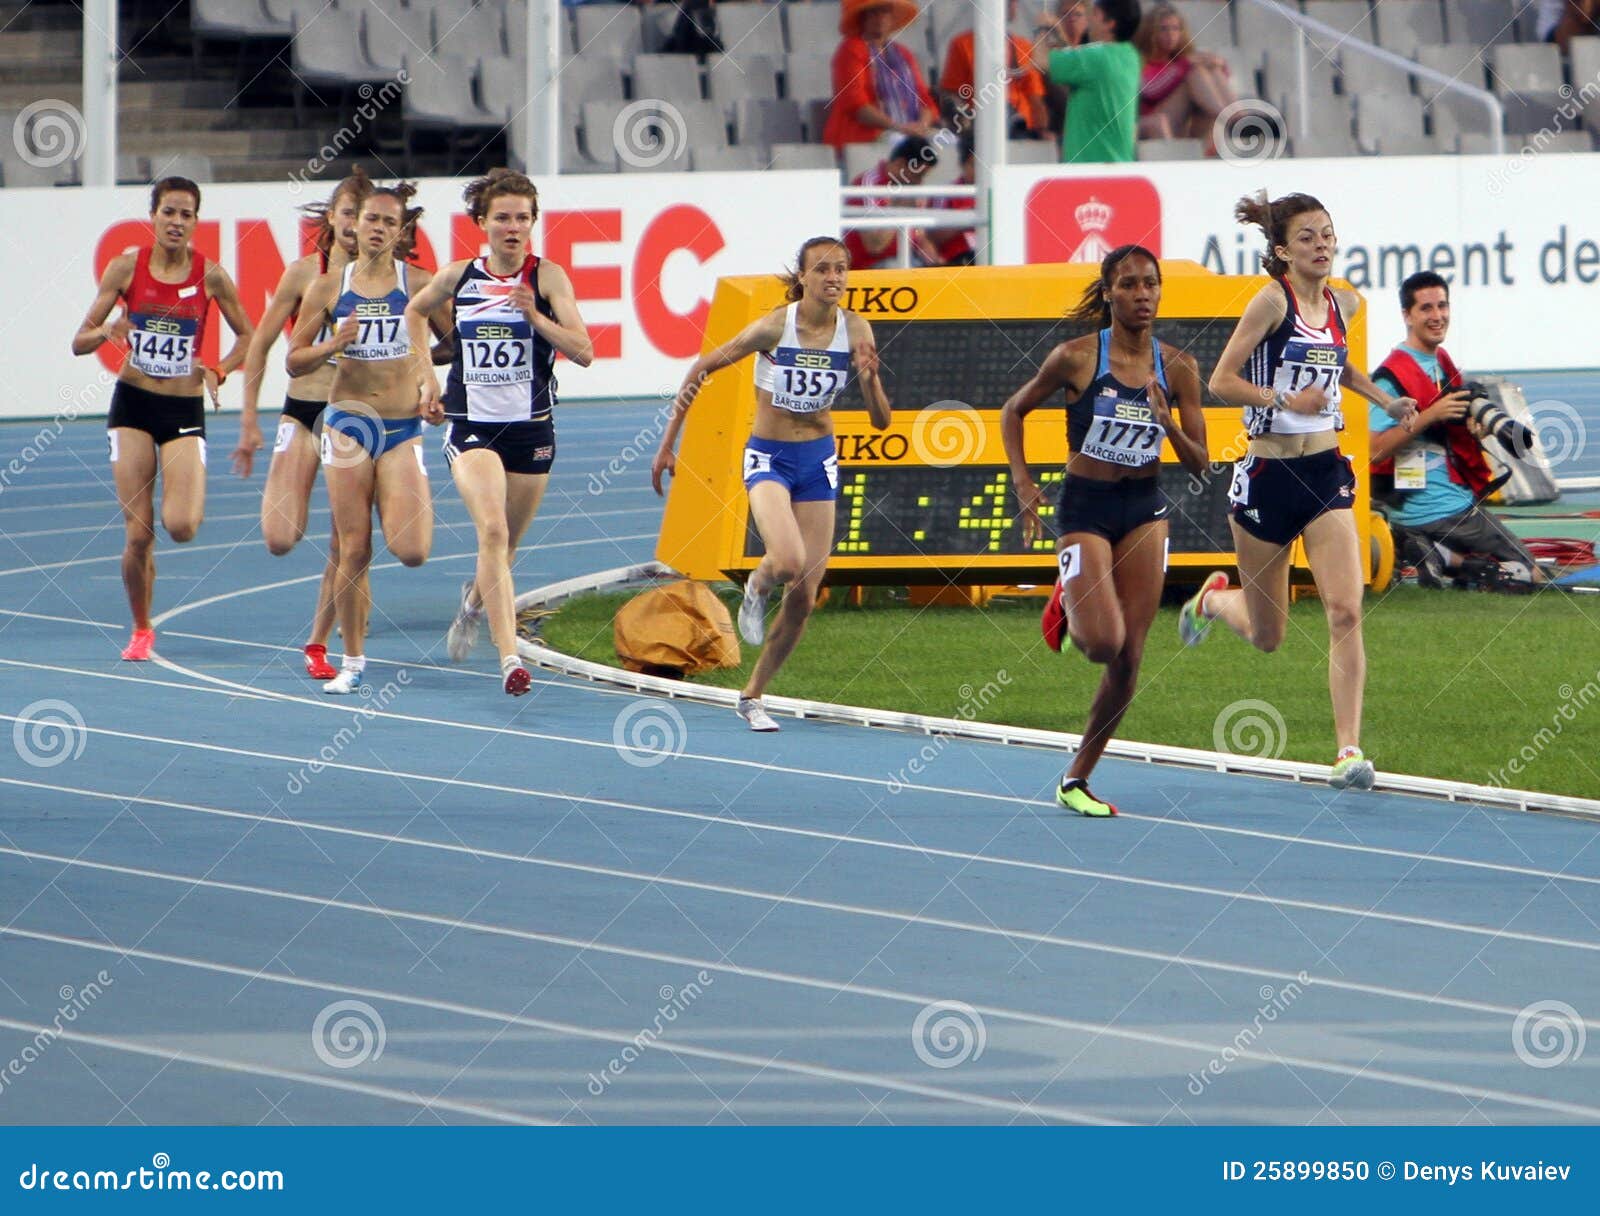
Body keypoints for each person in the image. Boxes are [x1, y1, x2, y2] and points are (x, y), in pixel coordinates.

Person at [1180, 191, 1417, 792]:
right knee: (1268, 636)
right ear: (1283, 251)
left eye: (1328, 234)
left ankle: (1348, 751)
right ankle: (1211, 602)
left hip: (1324, 475)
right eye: (1308, 237)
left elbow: (1338, 366)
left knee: (1345, 610)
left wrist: (1385, 399)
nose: (1322, 245)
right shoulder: (1269, 303)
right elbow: (1221, 381)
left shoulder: (1344, 303)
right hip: (1266, 479)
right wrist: (1285, 399)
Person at [651, 237, 891, 731]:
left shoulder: (857, 329)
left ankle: (752, 695)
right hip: (770, 457)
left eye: (842, 269)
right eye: (822, 269)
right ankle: (757, 585)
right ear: (801, 277)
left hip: (818, 461)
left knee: (805, 595)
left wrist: (870, 382)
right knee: (786, 561)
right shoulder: (775, 327)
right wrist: (668, 442)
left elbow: (881, 421)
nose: (834, 278)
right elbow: (703, 368)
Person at [1002, 246, 1208, 817]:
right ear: (1110, 293)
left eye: (1151, 284)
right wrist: (1023, 484)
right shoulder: (1074, 358)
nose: (1143, 294)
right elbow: (1013, 411)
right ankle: (1068, 603)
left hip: (1143, 508)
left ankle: (1076, 778)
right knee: (1102, 645)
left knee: (1131, 657)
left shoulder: (1180, 368)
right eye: (1130, 285)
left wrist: (1168, 423)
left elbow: (1202, 464)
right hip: (1085, 508)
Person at [407, 168, 595, 697]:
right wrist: (427, 378)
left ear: (533, 223)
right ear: (482, 224)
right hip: (470, 427)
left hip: (532, 431)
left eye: (522, 218)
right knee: (491, 532)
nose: (512, 228)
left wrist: (535, 316)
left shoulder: (547, 278)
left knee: (505, 547)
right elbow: (415, 313)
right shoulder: (458, 277)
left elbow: (583, 351)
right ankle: (510, 659)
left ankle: (472, 603)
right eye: (502, 218)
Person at [71, 177, 253, 660]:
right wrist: (107, 331)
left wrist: (220, 369)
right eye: (168, 212)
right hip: (132, 403)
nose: (176, 222)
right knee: (137, 532)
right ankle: (141, 627)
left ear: (196, 222)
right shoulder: (126, 268)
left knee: (182, 526)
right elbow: (79, 341)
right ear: (153, 216)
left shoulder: (211, 275)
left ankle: (186, 489)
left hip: (183, 407)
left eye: (186, 214)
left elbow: (248, 337)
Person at [287, 183, 445, 695]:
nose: (375, 228)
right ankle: (351, 662)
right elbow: (294, 359)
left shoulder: (419, 283)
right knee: (353, 548)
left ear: (401, 232)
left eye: (386, 221)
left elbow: (455, 341)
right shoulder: (329, 287)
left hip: (401, 429)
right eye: (368, 219)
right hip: (348, 423)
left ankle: (350, 653)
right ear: (353, 227)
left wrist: (424, 374)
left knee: (413, 548)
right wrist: (335, 343)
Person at [231, 168, 371, 680]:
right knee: (280, 537)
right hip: (304, 409)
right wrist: (249, 421)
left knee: (347, 540)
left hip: (357, 419)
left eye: (364, 214)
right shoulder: (302, 274)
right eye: (348, 213)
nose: (355, 224)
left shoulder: (385, 278)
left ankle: (318, 643)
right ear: (330, 219)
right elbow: (262, 344)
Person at [1369, 271, 1547, 589]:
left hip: (1433, 508)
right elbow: (1373, 449)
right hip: (1441, 508)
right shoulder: (1390, 376)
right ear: (1406, 316)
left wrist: (1470, 432)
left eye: (1442, 306)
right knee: (1529, 573)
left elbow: (1437, 439)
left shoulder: (1440, 362)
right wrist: (1429, 415)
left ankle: (1437, 554)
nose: (1437, 316)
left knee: (1501, 568)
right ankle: (1442, 554)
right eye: (1426, 308)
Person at [823, 0, 939, 151]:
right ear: (862, 17)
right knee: (902, 143)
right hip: (865, 135)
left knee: (949, 142)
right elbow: (855, 104)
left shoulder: (904, 53)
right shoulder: (850, 50)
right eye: (874, 12)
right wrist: (897, 127)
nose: (880, 18)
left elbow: (924, 99)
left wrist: (921, 126)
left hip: (910, 131)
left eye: (885, 12)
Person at [1048, 0, 1143, 164]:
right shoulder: (1130, 55)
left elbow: (1041, 60)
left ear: (1110, 24)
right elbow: (1074, 58)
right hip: (1121, 167)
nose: (1089, 19)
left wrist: (1043, 29)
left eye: (1095, 14)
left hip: (1087, 170)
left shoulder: (1096, 58)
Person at [939, 0, 1051, 139]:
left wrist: (1042, 132)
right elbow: (951, 94)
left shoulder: (1023, 46)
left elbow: (1035, 98)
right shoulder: (962, 44)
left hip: (1021, 130)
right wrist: (964, 124)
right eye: (1009, 2)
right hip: (978, 130)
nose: (1014, 6)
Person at [1132, 3, 1236, 149]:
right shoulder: (1140, 60)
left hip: (1183, 125)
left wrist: (1218, 65)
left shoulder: (1180, 61)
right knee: (1194, 72)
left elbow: (1217, 80)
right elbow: (1150, 91)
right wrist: (1184, 65)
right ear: (1150, 32)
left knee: (1205, 68)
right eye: (1163, 29)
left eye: (1175, 29)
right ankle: (1232, 117)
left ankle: (1237, 115)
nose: (1171, 35)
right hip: (1153, 121)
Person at [841, 134, 942, 270]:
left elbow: (919, 236)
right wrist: (898, 209)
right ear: (900, 163)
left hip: (907, 260)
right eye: (918, 175)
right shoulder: (868, 185)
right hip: (871, 267)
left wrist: (937, 263)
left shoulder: (910, 188)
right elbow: (874, 246)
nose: (920, 182)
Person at [926, 133, 978, 265]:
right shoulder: (945, 194)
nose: (980, 171)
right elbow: (932, 237)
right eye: (974, 165)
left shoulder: (998, 193)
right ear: (962, 164)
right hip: (955, 262)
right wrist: (967, 219)